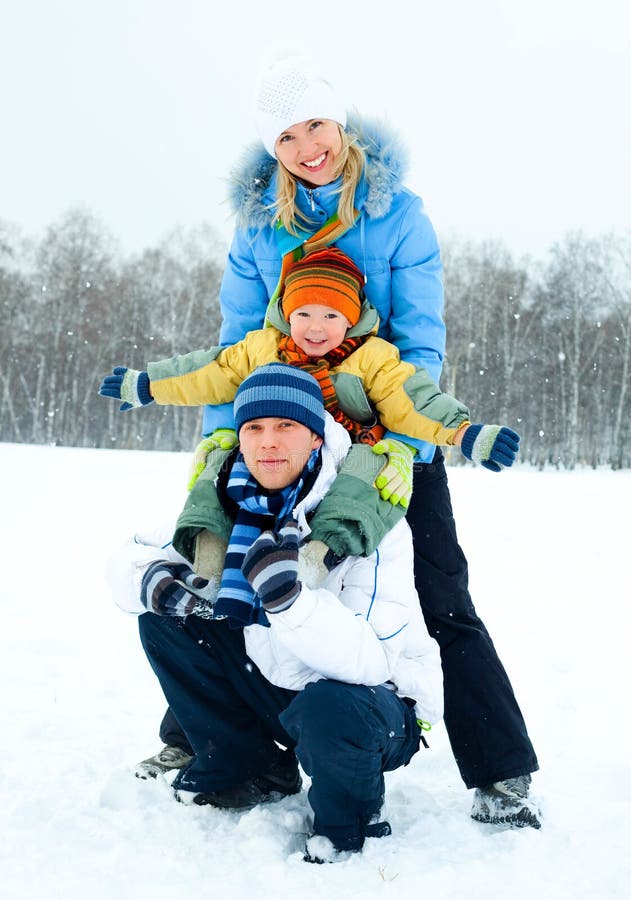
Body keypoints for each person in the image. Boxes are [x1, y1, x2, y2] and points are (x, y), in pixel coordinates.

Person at [125, 54, 540, 829]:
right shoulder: (258, 227)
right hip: (279, 435)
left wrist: (403, 449)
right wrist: (222, 452)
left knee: (439, 592)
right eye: (285, 136)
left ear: (338, 123)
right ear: (271, 148)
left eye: (315, 124)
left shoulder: (400, 214)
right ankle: (203, 737)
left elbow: (419, 338)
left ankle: (499, 770)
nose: (306, 146)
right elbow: (234, 350)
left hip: (388, 431)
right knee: (229, 572)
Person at [109, 364, 444, 863]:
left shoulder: (366, 518)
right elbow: (130, 558)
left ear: (314, 437)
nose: (269, 442)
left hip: (377, 705)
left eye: (285, 426)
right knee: (163, 619)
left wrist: (290, 601)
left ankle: (346, 822)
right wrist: (156, 583)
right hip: (278, 681)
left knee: (332, 707)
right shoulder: (224, 499)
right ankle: (253, 768)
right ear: (240, 439)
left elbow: (370, 662)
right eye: (254, 428)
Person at [99, 244, 521, 563]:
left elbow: (410, 399)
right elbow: (212, 371)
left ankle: (324, 549)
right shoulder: (264, 348)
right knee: (221, 461)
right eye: (303, 314)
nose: (315, 329)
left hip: (342, 451)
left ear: (352, 319)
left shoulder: (370, 357)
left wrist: (464, 432)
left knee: (371, 472)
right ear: (286, 312)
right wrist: (150, 385)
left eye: (331, 316)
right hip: (277, 449)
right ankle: (208, 546)